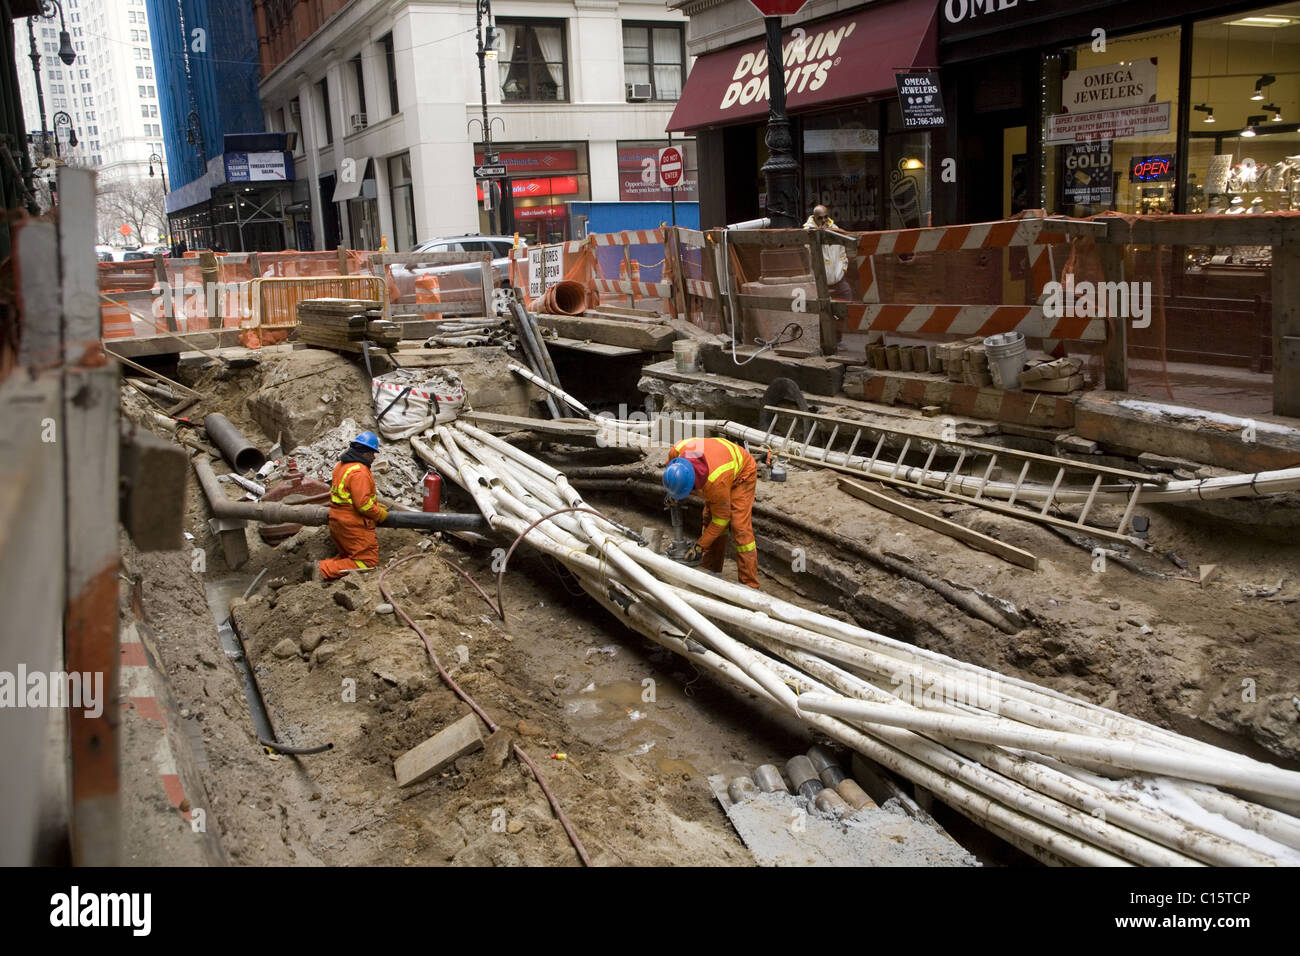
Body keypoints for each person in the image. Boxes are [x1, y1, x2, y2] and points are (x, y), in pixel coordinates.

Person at [663, 436, 760, 589]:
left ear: (696, 485)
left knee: (739, 526)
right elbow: (671, 474)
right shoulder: (677, 451)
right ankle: (710, 570)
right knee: (708, 518)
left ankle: (749, 584)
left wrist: (699, 546)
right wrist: (672, 493)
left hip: (742, 474)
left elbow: (721, 519)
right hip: (718, 459)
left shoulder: (716, 482)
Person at [317, 431, 388, 581]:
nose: (374, 458)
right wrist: (379, 514)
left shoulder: (341, 466)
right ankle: (323, 569)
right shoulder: (359, 472)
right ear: (365, 453)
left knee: (349, 556)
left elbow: (348, 496)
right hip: (353, 525)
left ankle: (321, 567)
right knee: (367, 561)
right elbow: (362, 505)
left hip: (337, 521)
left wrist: (375, 504)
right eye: (372, 454)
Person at [803, 204, 852, 300]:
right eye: (820, 218)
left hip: (839, 282)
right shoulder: (807, 232)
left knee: (848, 308)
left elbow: (843, 251)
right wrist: (818, 233)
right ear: (814, 219)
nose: (824, 220)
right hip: (819, 285)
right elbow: (807, 255)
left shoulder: (834, 228)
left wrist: (843, 268)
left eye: (826, 217)